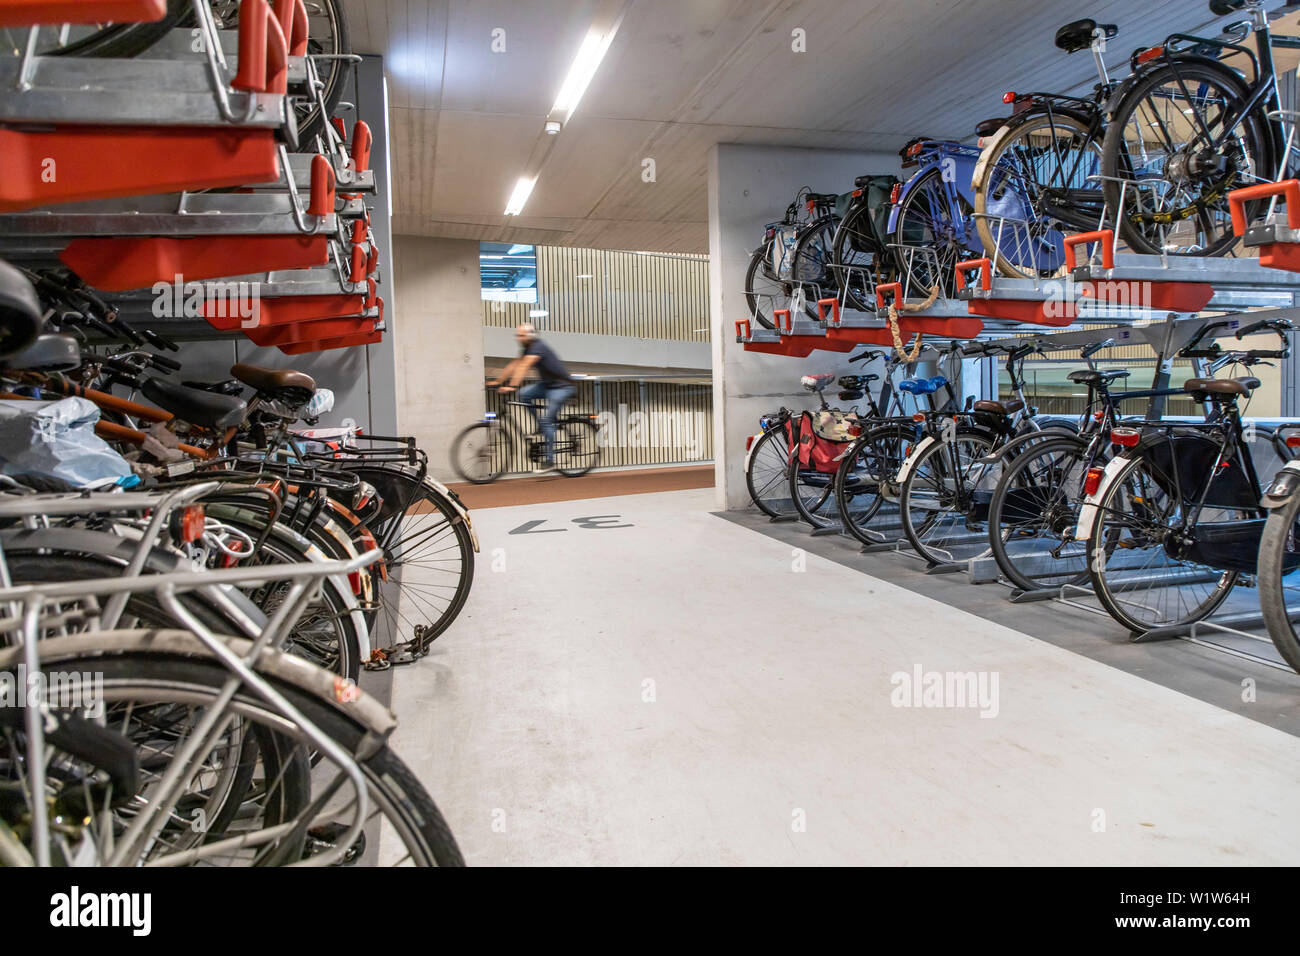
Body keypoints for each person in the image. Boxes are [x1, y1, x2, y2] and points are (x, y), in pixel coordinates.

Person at [488, 323, 576, 471]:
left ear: (531, 336)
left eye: (521, 335)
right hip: (547, 385)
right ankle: (541, 426)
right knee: (524, 394)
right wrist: (498, 381)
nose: (518, 338)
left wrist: (512, 385)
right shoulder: (527, 348)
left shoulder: (538, 347)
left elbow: (524, 366)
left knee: (547, 420)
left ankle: (550, 460)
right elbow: (515, 364)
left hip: (562, 387)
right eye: (517, 335)